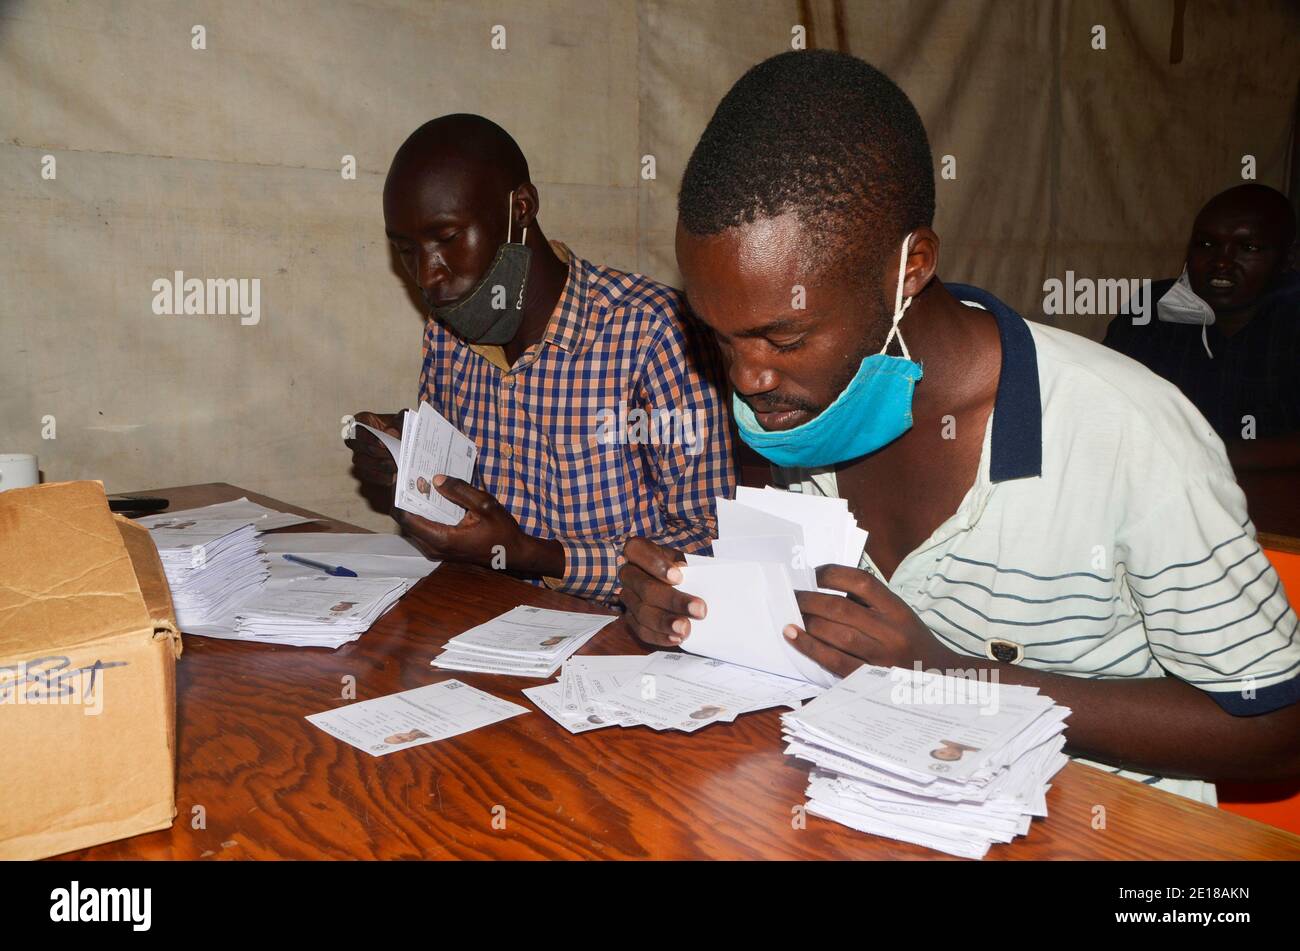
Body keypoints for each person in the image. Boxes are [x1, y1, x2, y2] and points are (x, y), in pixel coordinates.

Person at [616, 51, 1300, 803]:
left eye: (783, 337)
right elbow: (825, 641)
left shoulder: (1127, 433)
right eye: (719, 335)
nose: (747, 380)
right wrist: (696, 609)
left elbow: (1274, 725)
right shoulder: (802, 415)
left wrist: (947, 679)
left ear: (910, 269)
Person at [347, 115, 735, 604]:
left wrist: (536, 555)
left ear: (521, 209)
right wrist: (409, 461)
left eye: (446, 238)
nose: (428, 275)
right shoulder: (446, 332)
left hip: (619, 640)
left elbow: (711, 543)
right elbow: (461, 495)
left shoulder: (654, 332)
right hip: (487, 617)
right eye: (407, 250)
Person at [1104, 184, 1300, 473]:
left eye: (1249, 248)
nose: (1221, 262)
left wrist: (1206, 453)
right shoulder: (1151, 310)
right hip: (1160, 487)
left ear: (1289, 259)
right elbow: (1104, 402)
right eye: (1206, 245)